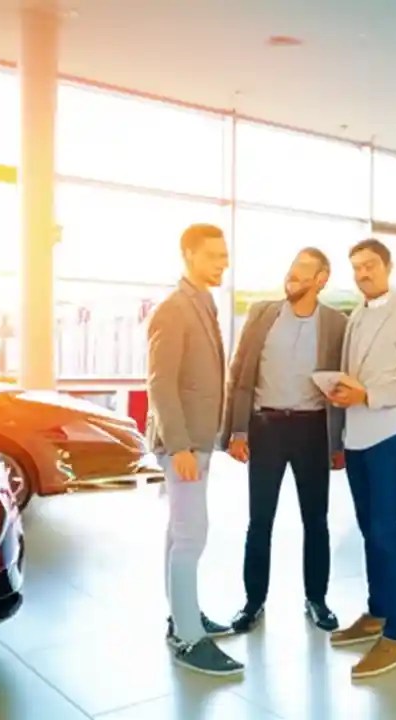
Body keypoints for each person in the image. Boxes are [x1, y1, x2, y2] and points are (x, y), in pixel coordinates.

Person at [222, 248, 348, 634]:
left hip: (312, 430)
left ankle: (317, 599)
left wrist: (337, 442)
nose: (292, 276)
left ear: (321, 278)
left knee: (317, 520)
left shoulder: (336, 324)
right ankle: (252, 603)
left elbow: (342, 382)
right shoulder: (262, 314)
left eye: (302, 271)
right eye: (290, 269)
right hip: (266, 427)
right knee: (259, 521)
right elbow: (239, 372)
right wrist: (236, 431)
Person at [326, 238, 396, 679]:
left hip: (389, 436)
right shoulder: (356, 316)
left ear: (388, 267)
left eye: (370, 265)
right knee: (369, 530)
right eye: (356, 268)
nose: (363, 274)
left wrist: (369, 394)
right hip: (356, 437)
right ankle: (377, 613)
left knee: (387, 532)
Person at [145, 223, 242, 676]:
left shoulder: (203, 304)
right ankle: (188, 637)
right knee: (191, 536)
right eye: (213, 256)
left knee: (177, 532)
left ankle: (182, 616)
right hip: (183, 444)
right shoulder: (173, 309)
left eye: (225, 255)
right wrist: (179, 445)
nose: (223, 263)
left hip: (198, 441)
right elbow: (160, 383)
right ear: (188, 255)